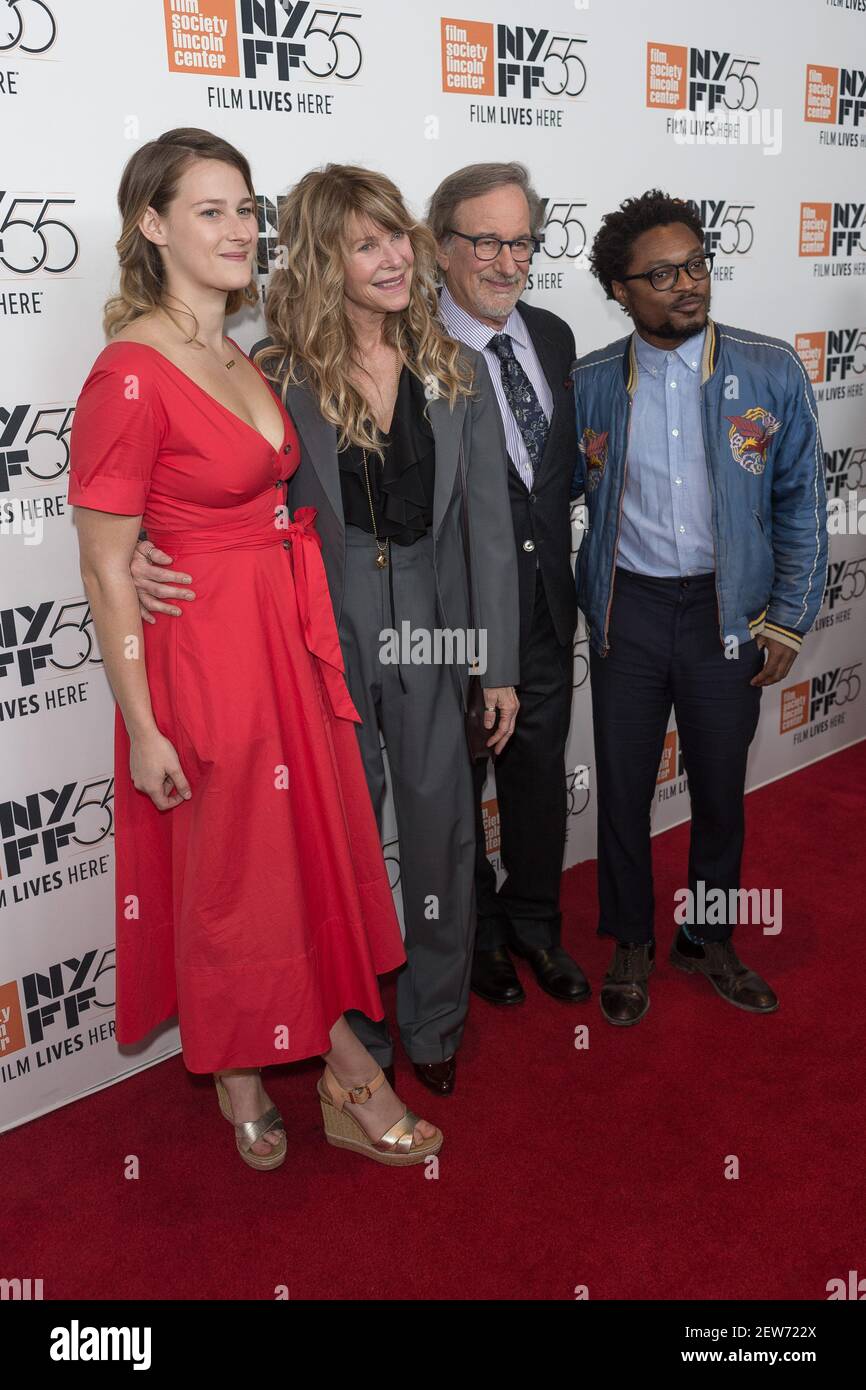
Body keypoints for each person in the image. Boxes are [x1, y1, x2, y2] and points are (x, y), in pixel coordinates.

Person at [68, 127, 443, 1169]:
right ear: (151, 225)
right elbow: (106, 568)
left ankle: (244, 1066)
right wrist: (144, 727)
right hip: (205, 660)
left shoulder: (234, 346)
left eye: (246, 210)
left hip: (279, 638)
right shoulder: (131, 372)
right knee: (240, 875)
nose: (240, 230)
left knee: (289, 865)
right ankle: (344, 1075)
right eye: (209, 210)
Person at [129, 162, 521, 1096]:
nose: (393, 259)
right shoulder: (270, 372)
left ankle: (433, 1021)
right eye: (365, 243)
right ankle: (355, 1036)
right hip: (319, 615)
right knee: (336, 841)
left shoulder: (455, 367)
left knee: (442, 828)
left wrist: (496, 662)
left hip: (431, 616)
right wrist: (143, 552)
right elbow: (201, 477)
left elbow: (490, 531)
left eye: (399, 238)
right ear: (320, 258)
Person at [571, 189, 828, 1026]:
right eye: (662, 274)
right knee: (621, 788)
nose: (689, 285)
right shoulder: (592, 383)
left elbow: (801, 503)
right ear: (620, 289)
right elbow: (553, 501)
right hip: (631, 613)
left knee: (720, 787)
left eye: (697, 266)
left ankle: (707, 937)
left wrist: (788, 616)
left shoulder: (769, 369)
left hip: (729, 614)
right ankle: (632, 941)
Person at [427, 162, 589, 1006]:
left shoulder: (555, 336)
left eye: (520, 239)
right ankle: (480, 939)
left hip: (542, 613)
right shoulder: (403, 345)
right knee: (457, 792)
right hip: (447, 622)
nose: (506, 260)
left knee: (535, 782)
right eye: (484, 240)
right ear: (440, 248)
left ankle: (535, 927)